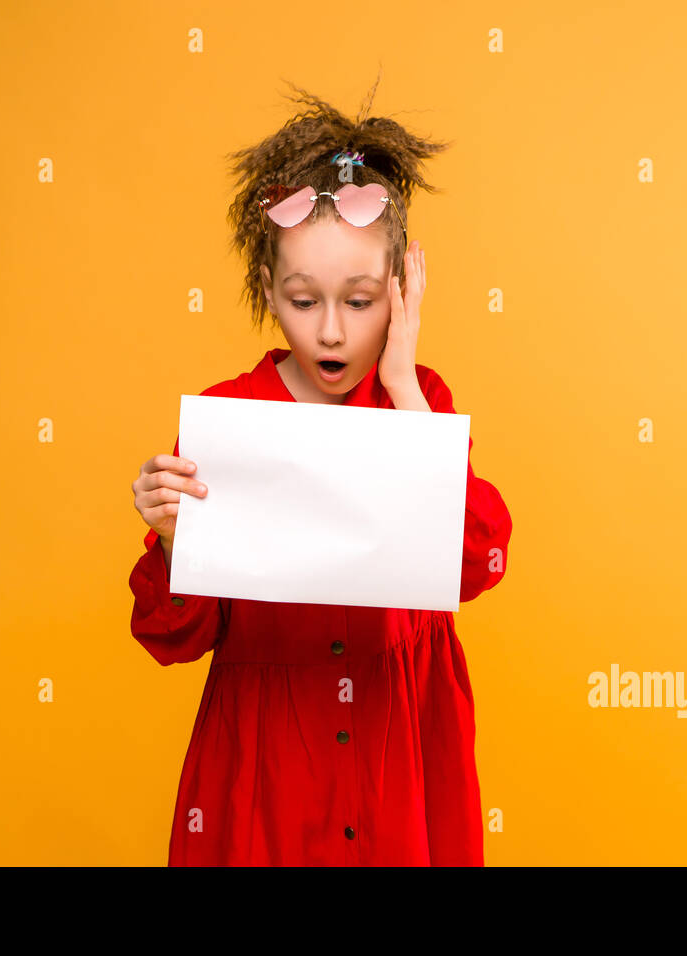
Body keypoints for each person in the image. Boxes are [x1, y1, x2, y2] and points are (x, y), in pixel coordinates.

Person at [129, 79, 512, 865]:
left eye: (362, 299)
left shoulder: (420, 402)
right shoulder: (227, 417)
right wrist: (174, 540)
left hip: (397, 752)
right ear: (268, 291)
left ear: (401, 292)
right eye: (304, 301)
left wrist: (403, 383)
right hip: (269, 759)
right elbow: (173, 640)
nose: (332, 331)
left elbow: (477, 563)